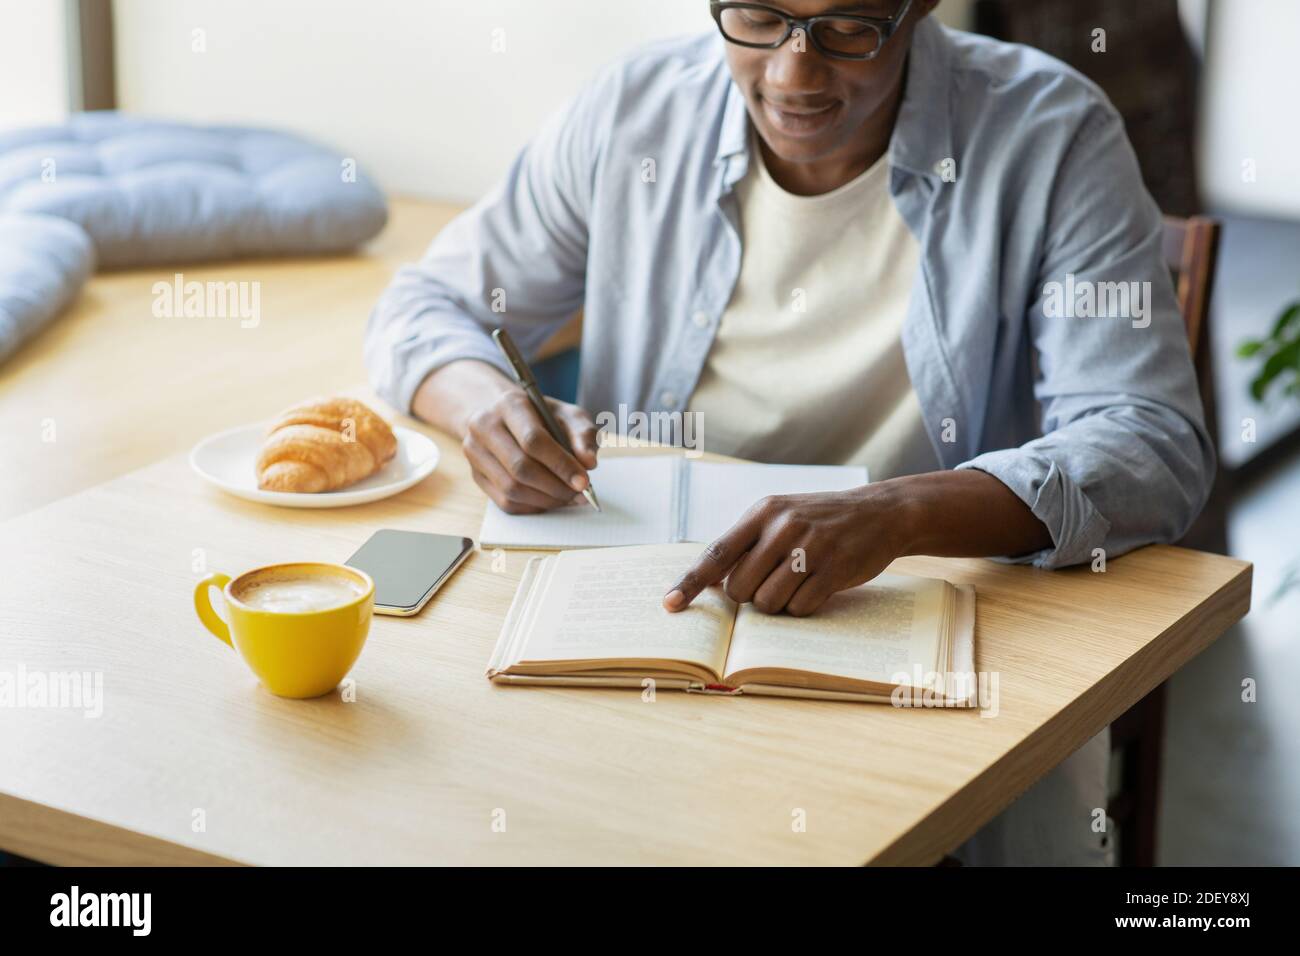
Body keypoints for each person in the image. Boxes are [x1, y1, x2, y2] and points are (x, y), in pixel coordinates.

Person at [364, 1, 1212, 865]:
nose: (793, 74)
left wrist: (901, 513)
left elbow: (1150, 441)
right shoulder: (635, 111)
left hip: (916, 628)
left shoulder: (1048, 132)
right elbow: (424, 306)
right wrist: (486, 408)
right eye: (759, 16)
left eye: (848, 27)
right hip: (652, 631)